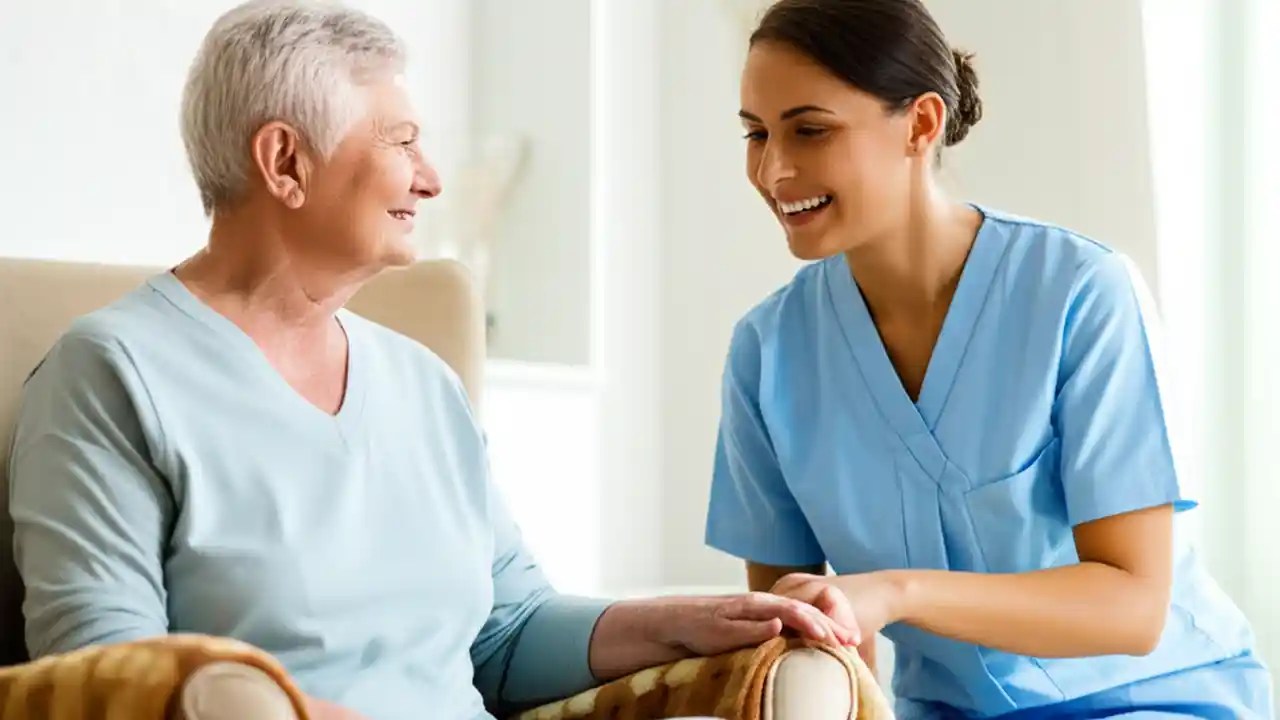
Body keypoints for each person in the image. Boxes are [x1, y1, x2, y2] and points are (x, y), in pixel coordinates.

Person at [5, 3, 857, 719]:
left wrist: (693, 620)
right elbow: (109, 679)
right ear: (285, 162)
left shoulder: (420, 383)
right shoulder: (113, 376)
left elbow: (507, 633)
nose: (432, 178)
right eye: (402, 141)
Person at [703, 0, 1271, 717]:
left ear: (921, 123)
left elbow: (1132, 606)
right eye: (756, 134)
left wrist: (893, 590)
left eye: (809, 130)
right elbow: (804, 636)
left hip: (1156, 697)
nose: (774, 169)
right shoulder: (768, 352)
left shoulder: (1077, 293)